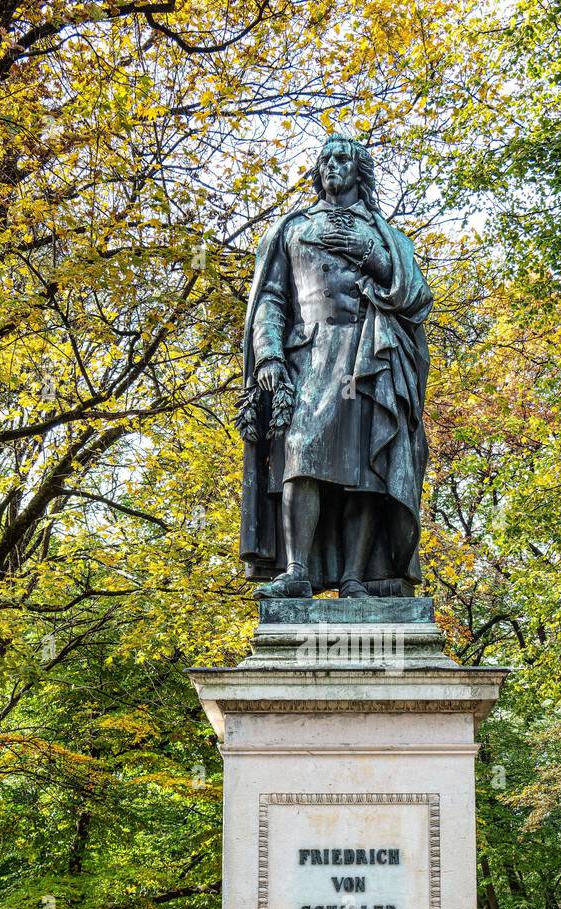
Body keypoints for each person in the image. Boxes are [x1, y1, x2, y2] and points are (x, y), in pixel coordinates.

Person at [237, 135, 433, 598]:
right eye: (324, 159)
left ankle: (354, 577)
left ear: (359, 168)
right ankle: (297, 570)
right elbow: (271, 298)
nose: (331, 166)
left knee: (367, 468)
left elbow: (417, 298)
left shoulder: (386, 236)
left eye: (342, 158)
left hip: (370, 357)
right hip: (309, 358)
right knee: (300, 457)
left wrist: (371, 256)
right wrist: (268, 354)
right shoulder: (292, 228)